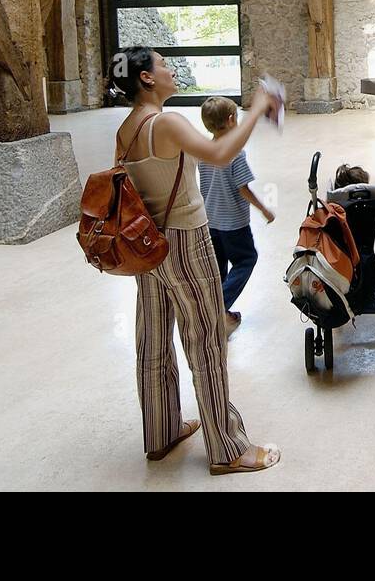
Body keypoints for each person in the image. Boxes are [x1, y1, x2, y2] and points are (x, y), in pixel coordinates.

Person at [108, 46, 280, 475]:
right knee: (205, 339)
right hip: (185, 240)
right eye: (162, 65)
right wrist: (257, 108)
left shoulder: (127, 129)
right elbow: (220, 154)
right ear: (146, 78)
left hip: (145, 245)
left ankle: (162, 431)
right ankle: (227, 449)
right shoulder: (165, 122)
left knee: (153, 338)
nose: (170, 69)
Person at [198, 96, 275, 334]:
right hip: (233, 224)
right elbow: (243, 188)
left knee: (218, 268)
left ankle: (216, 312)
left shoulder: (204, 151)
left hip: (211, 221)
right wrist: (264, 208)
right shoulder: (235, 155)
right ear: (231, 120)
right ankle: (219, 308)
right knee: (246, 260)